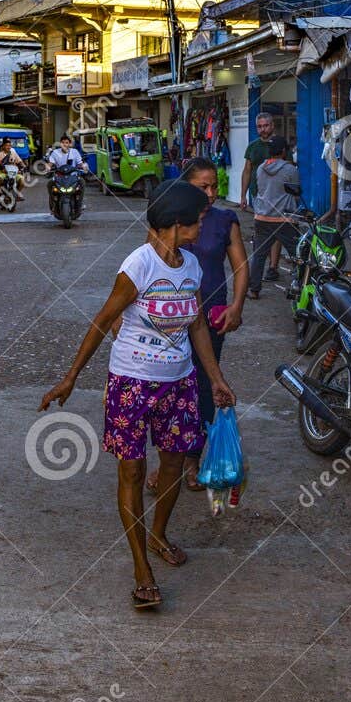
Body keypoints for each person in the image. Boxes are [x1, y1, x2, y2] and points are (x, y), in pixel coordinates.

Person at [41, 180, 236, 610]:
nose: (203, 226)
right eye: (198, 220)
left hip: (180, 382)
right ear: (175, 223)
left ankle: (159, 534)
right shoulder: (139, 266)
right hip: (132, 382)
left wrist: (216, 377)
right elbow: (101, 320)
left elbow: (198, 325)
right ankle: (141, 567)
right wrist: (71, 376)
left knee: (171, 465)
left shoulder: (191, 266)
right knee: (131, 472)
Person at [146, 157, 248, 497]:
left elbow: (240, 266)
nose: (211, 193)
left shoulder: (224, 221)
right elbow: (148, 266)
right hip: (173, 318)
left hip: (212, 318)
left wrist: (237, 305)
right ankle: (167, 460)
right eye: (202, 186)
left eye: (214, 186)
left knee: (205, 387)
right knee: (171, 388)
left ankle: (191, 460)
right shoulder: (170, 221)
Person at [247, 136, 301, 300]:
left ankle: (254, 290)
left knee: (259, 255)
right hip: (285, 219)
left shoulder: (261, 168)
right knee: (299, 256)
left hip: (262, 217)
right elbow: (297, 193)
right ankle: (301, 286)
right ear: (284, 151)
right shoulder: (291, 170)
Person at [239, 111, 275, 209]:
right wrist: (243, 196)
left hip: (276, 195)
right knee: (259, 222)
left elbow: (288, 168)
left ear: (272, 125)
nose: (263, 129)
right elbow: (247, 171)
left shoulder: (280, 144)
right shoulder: (252, 146)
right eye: (259, 127)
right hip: (256, 194)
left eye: (266, 125)